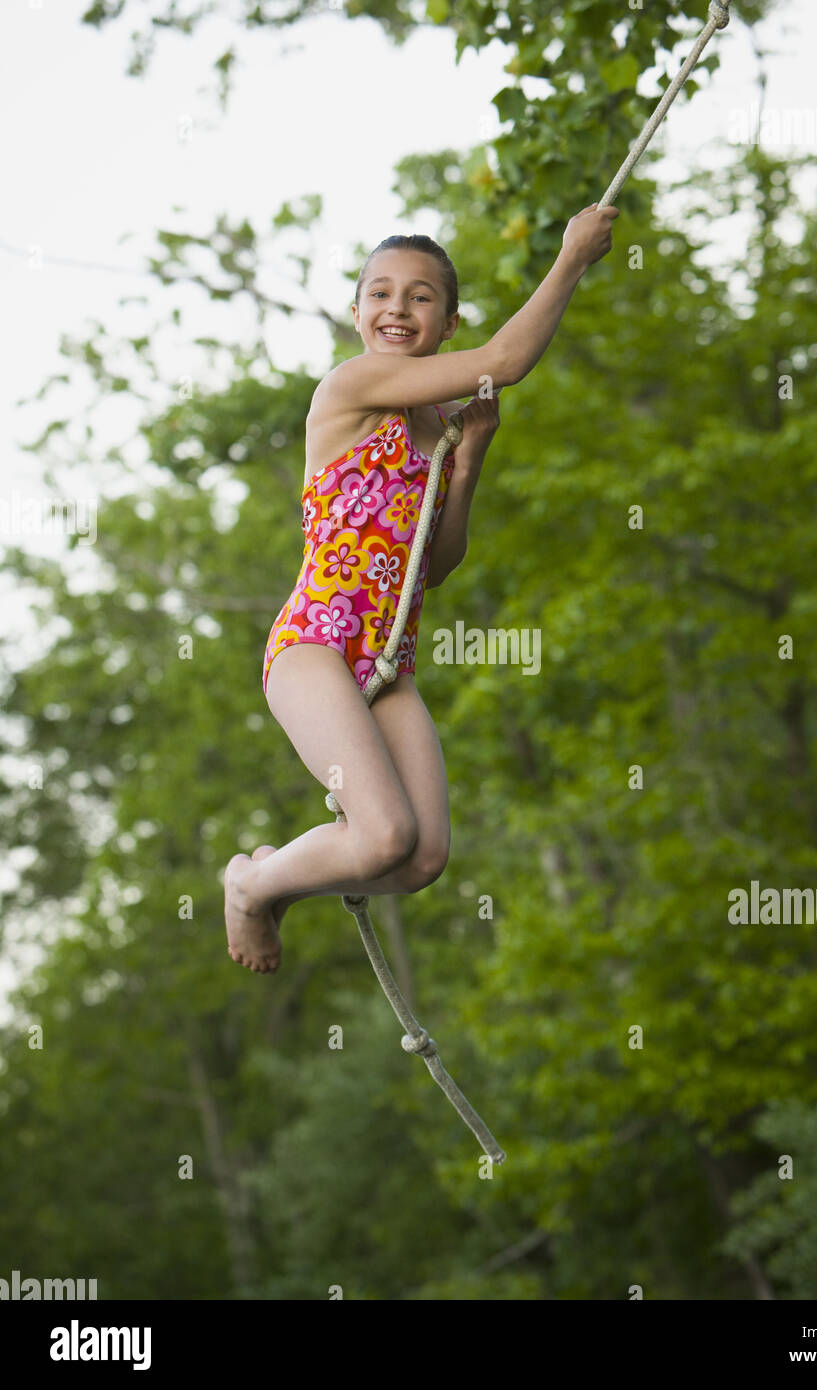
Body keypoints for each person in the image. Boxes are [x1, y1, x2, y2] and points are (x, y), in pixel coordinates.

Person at [224, 201, 619, 972]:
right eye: (379, 292)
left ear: (447, 319)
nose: (396, 307)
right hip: (317, 647)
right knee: (382, 836)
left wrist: (469, 460)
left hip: (388, 662)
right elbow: (504, 360)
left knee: (420, 858)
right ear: (357, 311)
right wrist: (571, 256)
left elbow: (432, 566)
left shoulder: (435, 429)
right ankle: (250, 886)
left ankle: (277, 880)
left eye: (420, 295)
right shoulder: (355, 385)